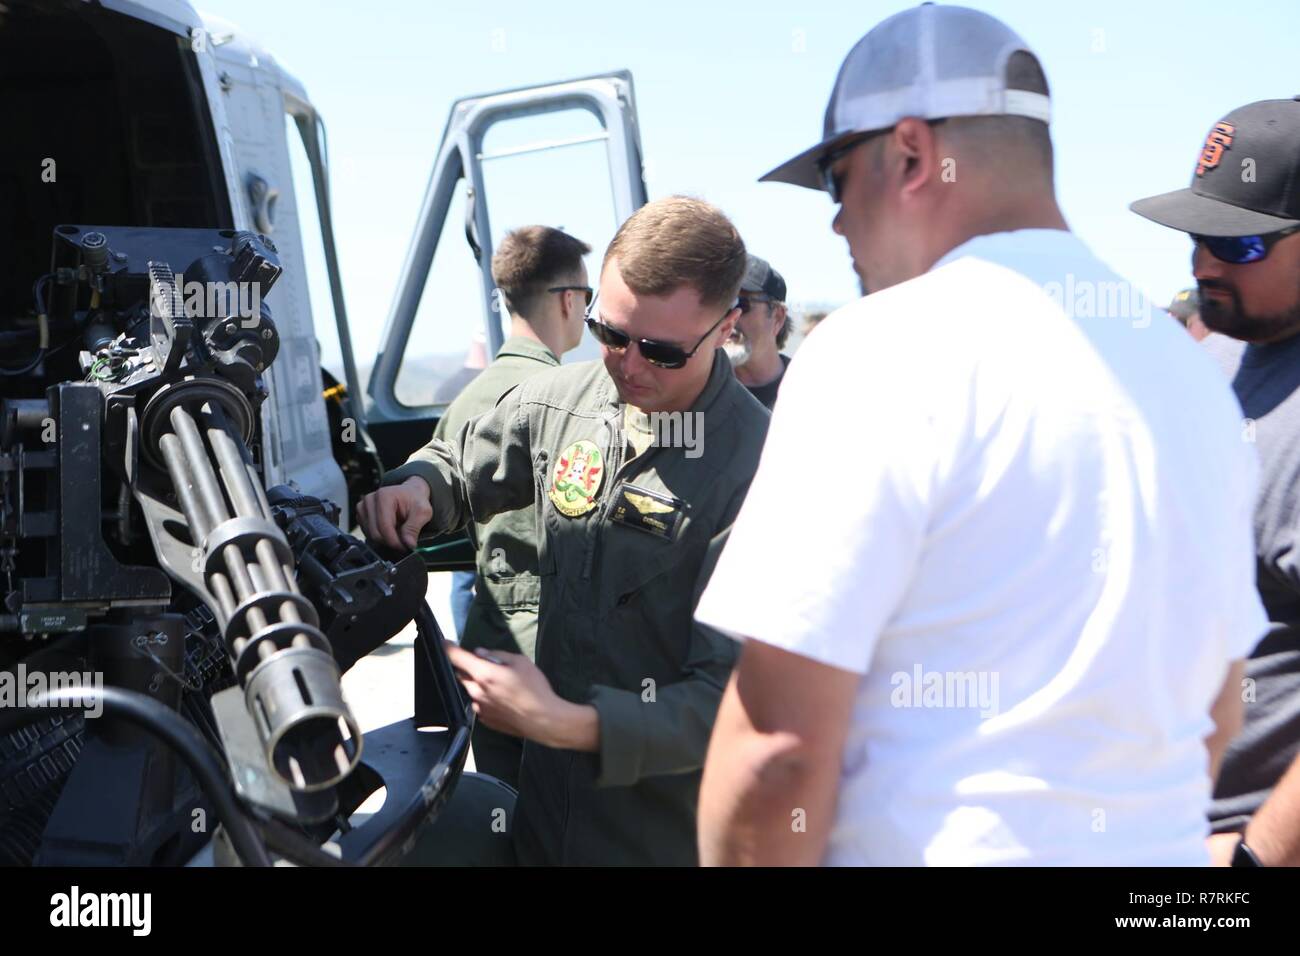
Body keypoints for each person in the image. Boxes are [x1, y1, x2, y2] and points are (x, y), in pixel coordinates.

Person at [693, 3, 1263, 866]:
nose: (836, 221)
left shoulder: (876, 350)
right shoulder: (1196, 381)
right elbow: (1216, 708)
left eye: (839, 179)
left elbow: (777, 754)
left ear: (914, 155)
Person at [357, 196, 769, 865]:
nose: (628, 366)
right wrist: (417, 489)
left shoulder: (760, 474)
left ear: (726, 327)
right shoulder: (564, 403)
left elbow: (737, 703)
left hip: (659, 836)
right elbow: (460, 461)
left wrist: (572, 724)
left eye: (661, 351)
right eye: (610, 334)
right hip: (546, 815)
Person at [1131, 97, 1300, 867]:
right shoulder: (1215, 364)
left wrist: (1252, 861)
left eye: (1240, 244)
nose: (1203, 263)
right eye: (1199, 235)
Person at [434, 225, 591, 788]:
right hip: (557, 656)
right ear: (569, 300)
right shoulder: (578, 399)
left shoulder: (464, 401)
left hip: (489, 645)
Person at [724, 255, 791, 410]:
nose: (727, 316)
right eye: (719, 303)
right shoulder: (690, 391)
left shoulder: (811, 392)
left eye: (739, 304)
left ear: (777, 316)